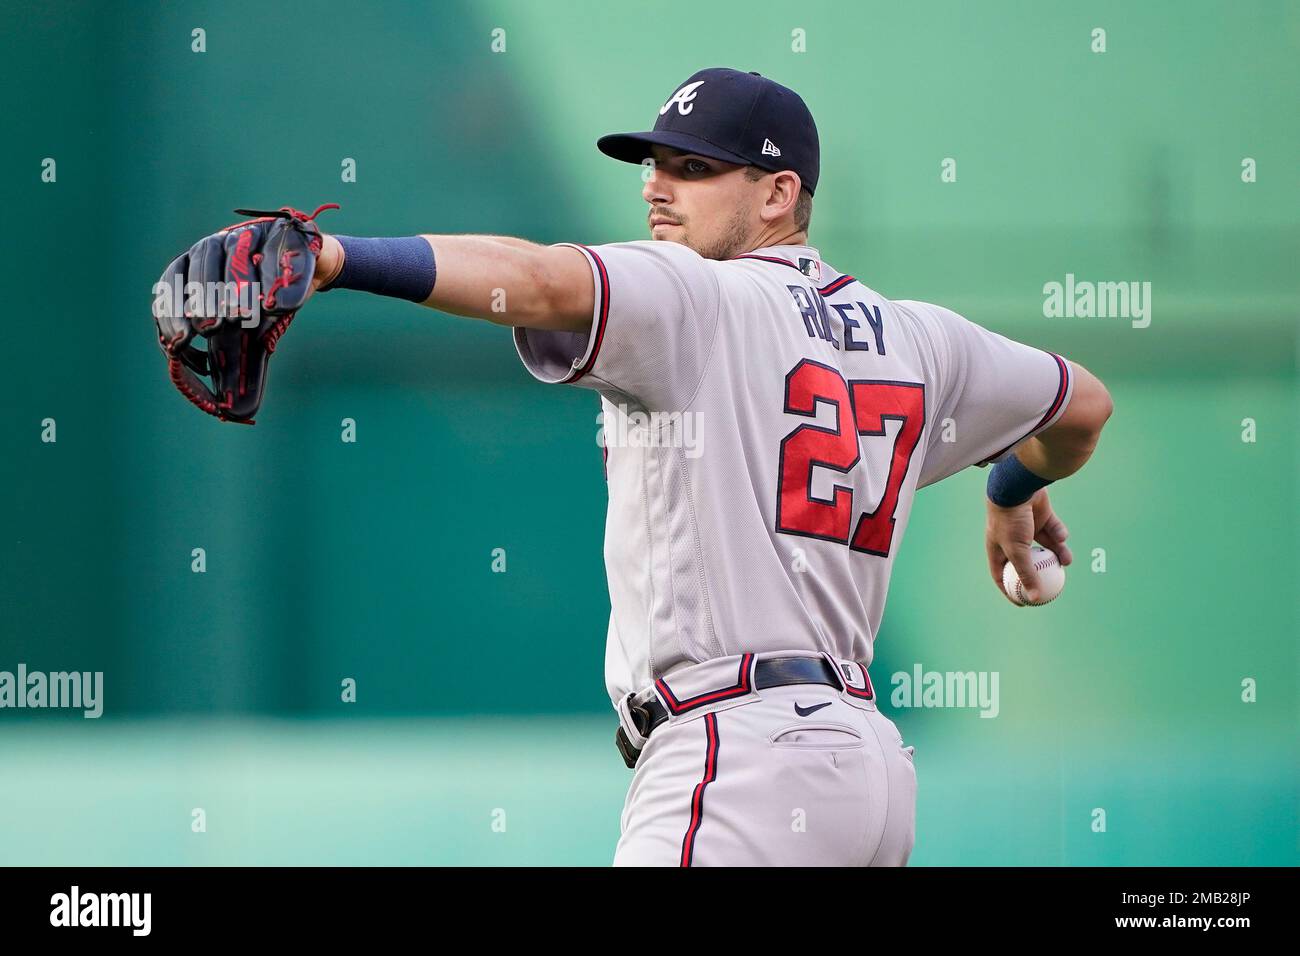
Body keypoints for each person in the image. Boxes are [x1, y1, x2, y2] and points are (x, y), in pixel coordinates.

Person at [164, 67, 1114, 866]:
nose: (658, 187)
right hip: (869, 775)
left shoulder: (699, 295)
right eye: (654, 164)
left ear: (778, 193)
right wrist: (1011, 489)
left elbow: (536, 278)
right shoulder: (919, 338)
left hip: (734, 756)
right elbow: (1082, 407)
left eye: (694, 169)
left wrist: (334, 257)